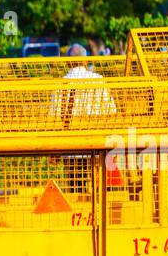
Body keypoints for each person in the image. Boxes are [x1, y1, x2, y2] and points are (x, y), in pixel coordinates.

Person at [49, 44, 118, 193]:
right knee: (101, 189)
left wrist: (54, 150)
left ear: (67, 62)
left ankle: (80, 210)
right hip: (98, 144)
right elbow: (112, 111)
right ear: (86, 61)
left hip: (72, 146)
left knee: (76, 188)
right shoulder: (99, 81)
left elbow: (54, 118)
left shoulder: (60, 84)